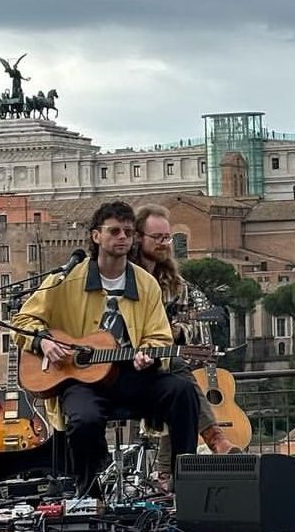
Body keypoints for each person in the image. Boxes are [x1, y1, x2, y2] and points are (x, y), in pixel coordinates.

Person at [12, 201, 201, 496]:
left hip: (131, 375)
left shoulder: (146, 284)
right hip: (80, 381)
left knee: (183, 392)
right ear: (96, 236)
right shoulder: (65, 280)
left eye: (128, 232)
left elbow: (159, 336)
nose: (123, 237)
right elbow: (22, 321)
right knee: (83, 420)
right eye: (114, 231)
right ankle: (89, 491)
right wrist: (44, 341)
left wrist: (149, 355)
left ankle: (185, 483)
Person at [129, 204, 239, 485]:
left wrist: (173, 331)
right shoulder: (124, 278)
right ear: (138, 237)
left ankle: (168, 475)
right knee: (178, 376)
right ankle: (213, 439)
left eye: (167, 238)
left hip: (161, 362)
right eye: (158, 237)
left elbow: (191, 325)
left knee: (177, 380)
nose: (164, 243)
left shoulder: (175, 285)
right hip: (124, 363)